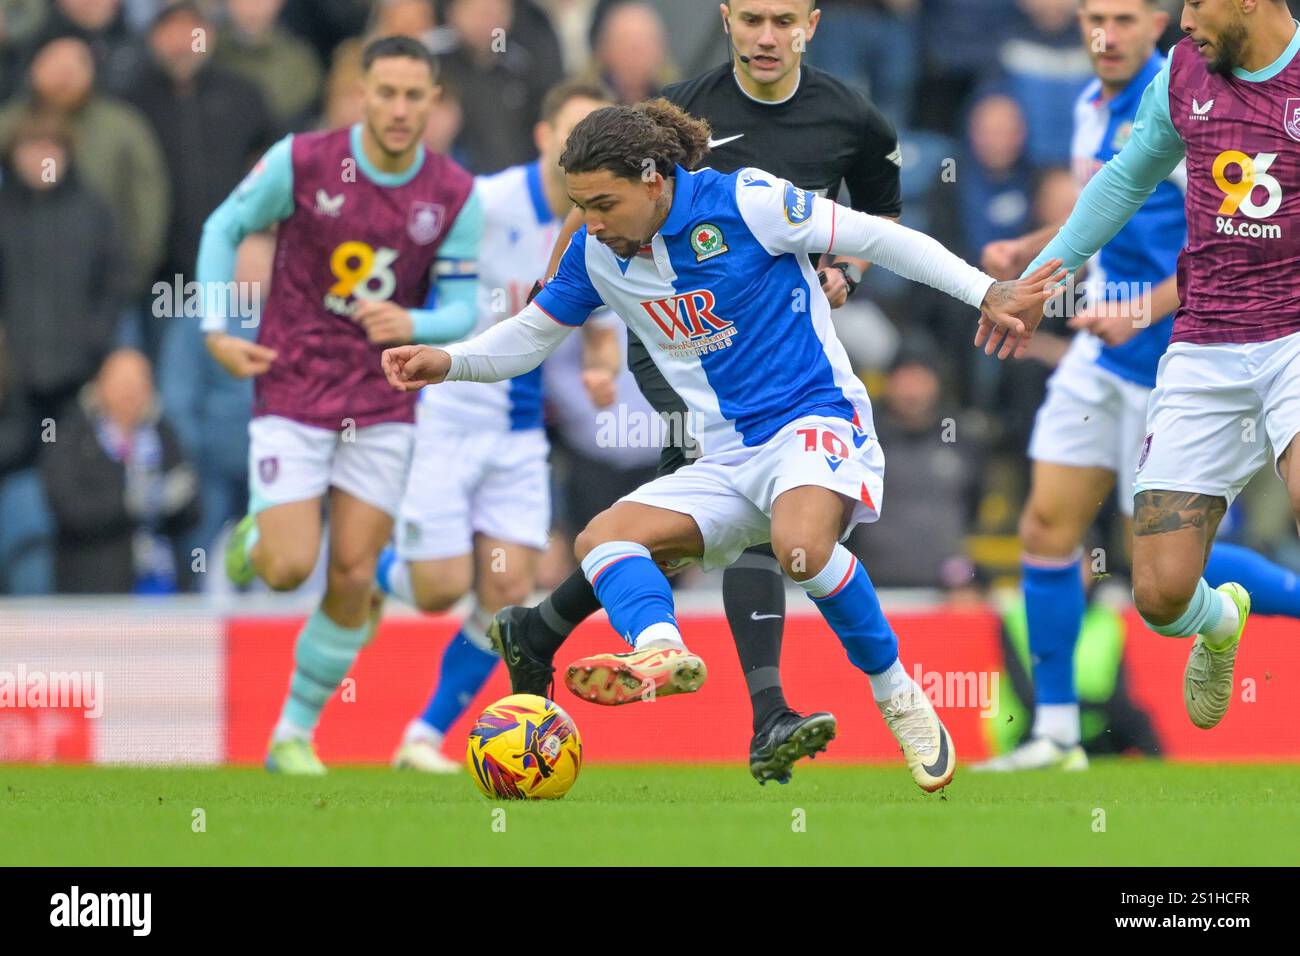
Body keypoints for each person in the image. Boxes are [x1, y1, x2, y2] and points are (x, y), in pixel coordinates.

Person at [382, 99, 1062, 791]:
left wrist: (986, 292)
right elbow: (531, 334)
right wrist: (450, 360)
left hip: (812, 419)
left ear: (653, 181)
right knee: (602, 539)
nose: (589, 222)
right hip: (724, 454)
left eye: (603, 203)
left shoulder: (749, 201)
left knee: (800, 549)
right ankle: (660, 651)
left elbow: (884, 239)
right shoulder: (596, 252)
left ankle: (898, 696)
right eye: (580, 204)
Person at [490, 0, 909, 786]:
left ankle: (544, 629)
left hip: (777, 326)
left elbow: (880, 212)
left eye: (782, 20)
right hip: (685, 343)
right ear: (725, 20)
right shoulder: (679, 114)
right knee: (744, 497)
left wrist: (845, 272)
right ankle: (765, 712)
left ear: (810, 25)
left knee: (729, 510)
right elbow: (593, 221)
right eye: (751, 17)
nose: (766, 35)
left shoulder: (853, 116)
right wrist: (572, 314)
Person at [197, 35, 483, 775]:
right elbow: (223, 226)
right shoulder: (304, 161)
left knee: (354, 574)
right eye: (384, 92)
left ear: (434, 102)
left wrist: (414, 325)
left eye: (414, 95)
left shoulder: (454, 194)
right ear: (361, 93)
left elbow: (460, 305)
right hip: (292, 384)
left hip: (383, 400)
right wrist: (215, 329)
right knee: (290, 569)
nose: (398, 108)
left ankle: (292, 734)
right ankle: (258, 537)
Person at [1015, 0, 1300, 736]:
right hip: (1203, 348)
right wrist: (1044, 275)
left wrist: (1137, 308)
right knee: (1161, 594)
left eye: (1196, 4)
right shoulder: (1181, 76)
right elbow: (1122, 181)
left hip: (1294, 336)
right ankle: (1221, 618)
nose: (1184, 19)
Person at [377, 80, 617, 773]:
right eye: (574, 135)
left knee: (507, 591)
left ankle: (424, 735)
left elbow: (598, 324)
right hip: (450, 415)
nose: (585, 151)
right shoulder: (483, 205)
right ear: (543, 137)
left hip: (520, 432)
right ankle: (368, 569)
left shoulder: (601, 222)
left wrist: (600, 367)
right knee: (440, 589)